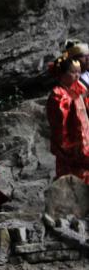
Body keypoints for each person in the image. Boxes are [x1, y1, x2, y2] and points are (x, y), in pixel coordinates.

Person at [46, 55, 89, 183]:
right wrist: (77, 97)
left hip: (84, 138)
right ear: (62, 74)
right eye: (73, 72)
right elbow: (60, 123)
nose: (77, 76)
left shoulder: (77, 89)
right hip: (69, 143)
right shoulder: (57, 94)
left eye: (79, 72)